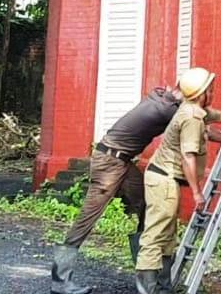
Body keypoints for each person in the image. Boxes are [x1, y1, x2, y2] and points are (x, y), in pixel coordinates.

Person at [134, 68, 221, 294]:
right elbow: (188, 156)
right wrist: (197, 193)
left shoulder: (194, 110)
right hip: (164, 179)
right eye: (209, 90)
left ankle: (163, 288)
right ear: (200, 93)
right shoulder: (192, 116)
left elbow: (218, 120)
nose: (212, 93)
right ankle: (148, 289)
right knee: (156, 236)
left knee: (167, 235)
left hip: (164, 179)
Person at [51, 85, 183, 294]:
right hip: (109, 161)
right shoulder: (166, 109)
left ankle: (147, 273)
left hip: (123, 161)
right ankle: (60, 281)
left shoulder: (160, 98)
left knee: (145, 205)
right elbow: (198, 122)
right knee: (89, 216)